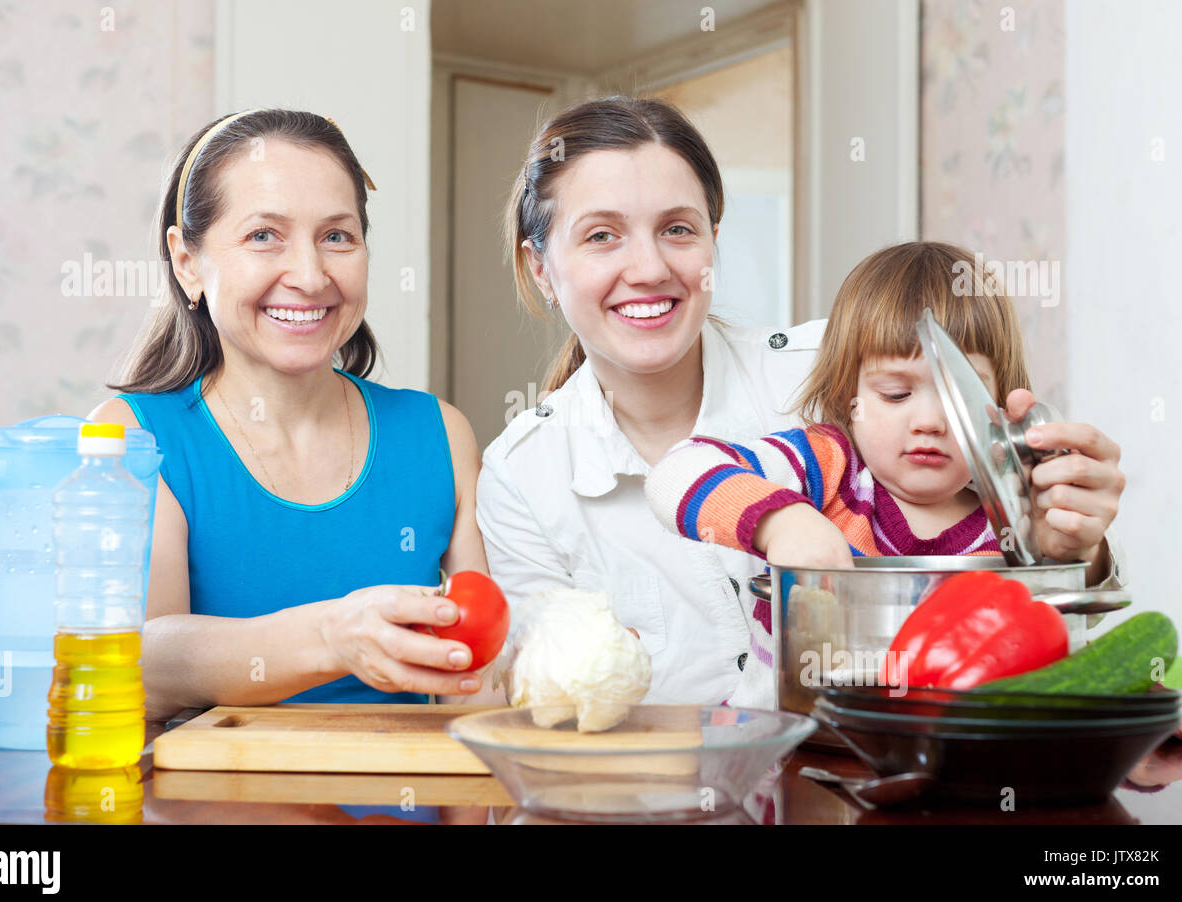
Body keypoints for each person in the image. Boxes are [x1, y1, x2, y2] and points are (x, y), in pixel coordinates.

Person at [477, 96, 1129, 707]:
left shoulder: (847, 368)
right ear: (540, 268)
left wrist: (1069, 544)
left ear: (713, 241)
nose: (649, 268)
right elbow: (555, 703)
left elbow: (1022, 581)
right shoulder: (521, 475)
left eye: (678, 229)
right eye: (601, 236)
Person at [87, 108, 488, 724]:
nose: (309, 275)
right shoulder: (134, 437)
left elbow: (482, 684)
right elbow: (140, 665)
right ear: (187, 262)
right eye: (263, 236)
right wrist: (332, 637)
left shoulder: (439, 433)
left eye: (337, 237)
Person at [645, 241, 1085, 707]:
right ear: (847, 400)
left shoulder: (1012, 523)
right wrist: (783, 522)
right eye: (896, 394)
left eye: (960, 398)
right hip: (788, 748)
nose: (929, 422)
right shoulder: (825, 467)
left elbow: (1065, 645)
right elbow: (676, 473)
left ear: (998, 410)